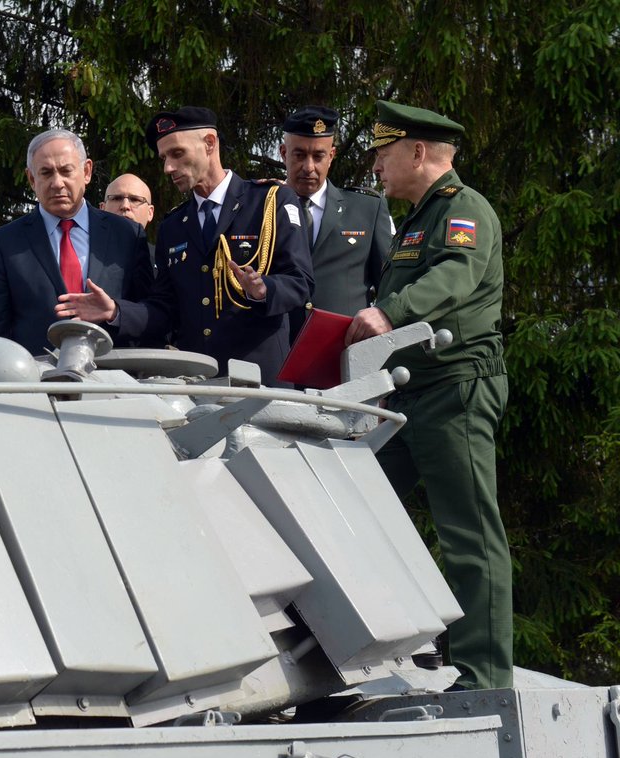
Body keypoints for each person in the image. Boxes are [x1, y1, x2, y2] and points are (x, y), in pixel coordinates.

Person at [345, 99, 511, 691]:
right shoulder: (418, 220)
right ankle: (366, 650)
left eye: (383, 155)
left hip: (454, 390)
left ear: (418, 152)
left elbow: (454, 277)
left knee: (468, 533)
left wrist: (389, 312)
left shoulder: (464, 210)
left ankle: (483, 676)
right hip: (408, 395)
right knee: (355, 506)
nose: (375, 168)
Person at [56, 107, 312, 386]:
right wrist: (115, 312)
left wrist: (263, 290)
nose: (168, 167)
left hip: (260, 382)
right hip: (198, 384)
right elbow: (164, 309)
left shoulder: (270, 201)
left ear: (209, 143)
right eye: (164, 158)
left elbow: (300, 283)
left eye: (177, 153)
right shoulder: (174, 226)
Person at [0, 129, 154, 354]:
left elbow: (152, 313)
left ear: (86, 171)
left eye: (66, 171)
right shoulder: (5, 244)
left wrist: (115, 312)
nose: (57, 183)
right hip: (35, 373)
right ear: (32, 179)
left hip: (114, 371)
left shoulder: (127, 235)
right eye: (46, 173)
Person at [279, 105, 392, 331]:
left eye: (318, 156)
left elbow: (389, 284)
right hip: (280, 345)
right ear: (283, 153)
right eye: (299, 155)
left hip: (345, 345)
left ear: (331, 156)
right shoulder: (264, 208)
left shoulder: (368, 209)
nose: (308, 167)